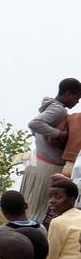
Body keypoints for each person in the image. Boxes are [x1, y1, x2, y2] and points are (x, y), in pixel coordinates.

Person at [21, 78, 81, 222]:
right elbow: (34, 124)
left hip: (37, 159)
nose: (77, 102)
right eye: (77, 98)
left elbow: (36, 128)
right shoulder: (58, 109)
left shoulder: (49, 106)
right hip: (48, 165)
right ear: (68, 94)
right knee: (42, 209)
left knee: (30, 204)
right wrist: (59, 134)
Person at [46, 178, 81, 259]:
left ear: (72, 200)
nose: (51, 201)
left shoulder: (58, 222)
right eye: (50, 197)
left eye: (57, 197)